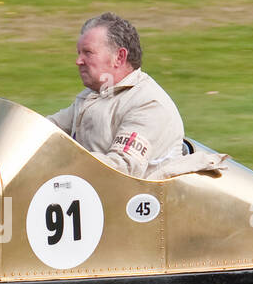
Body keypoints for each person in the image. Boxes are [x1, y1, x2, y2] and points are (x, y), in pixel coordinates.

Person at [47, 13, 214, 180]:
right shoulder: (95, 94)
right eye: (79, 53)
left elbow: (122, 169)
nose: (78, 61)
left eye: (88, 53)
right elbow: (46, 130)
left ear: (119, 57)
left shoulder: (148, 104)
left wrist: (60, 164)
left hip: (127, 199)